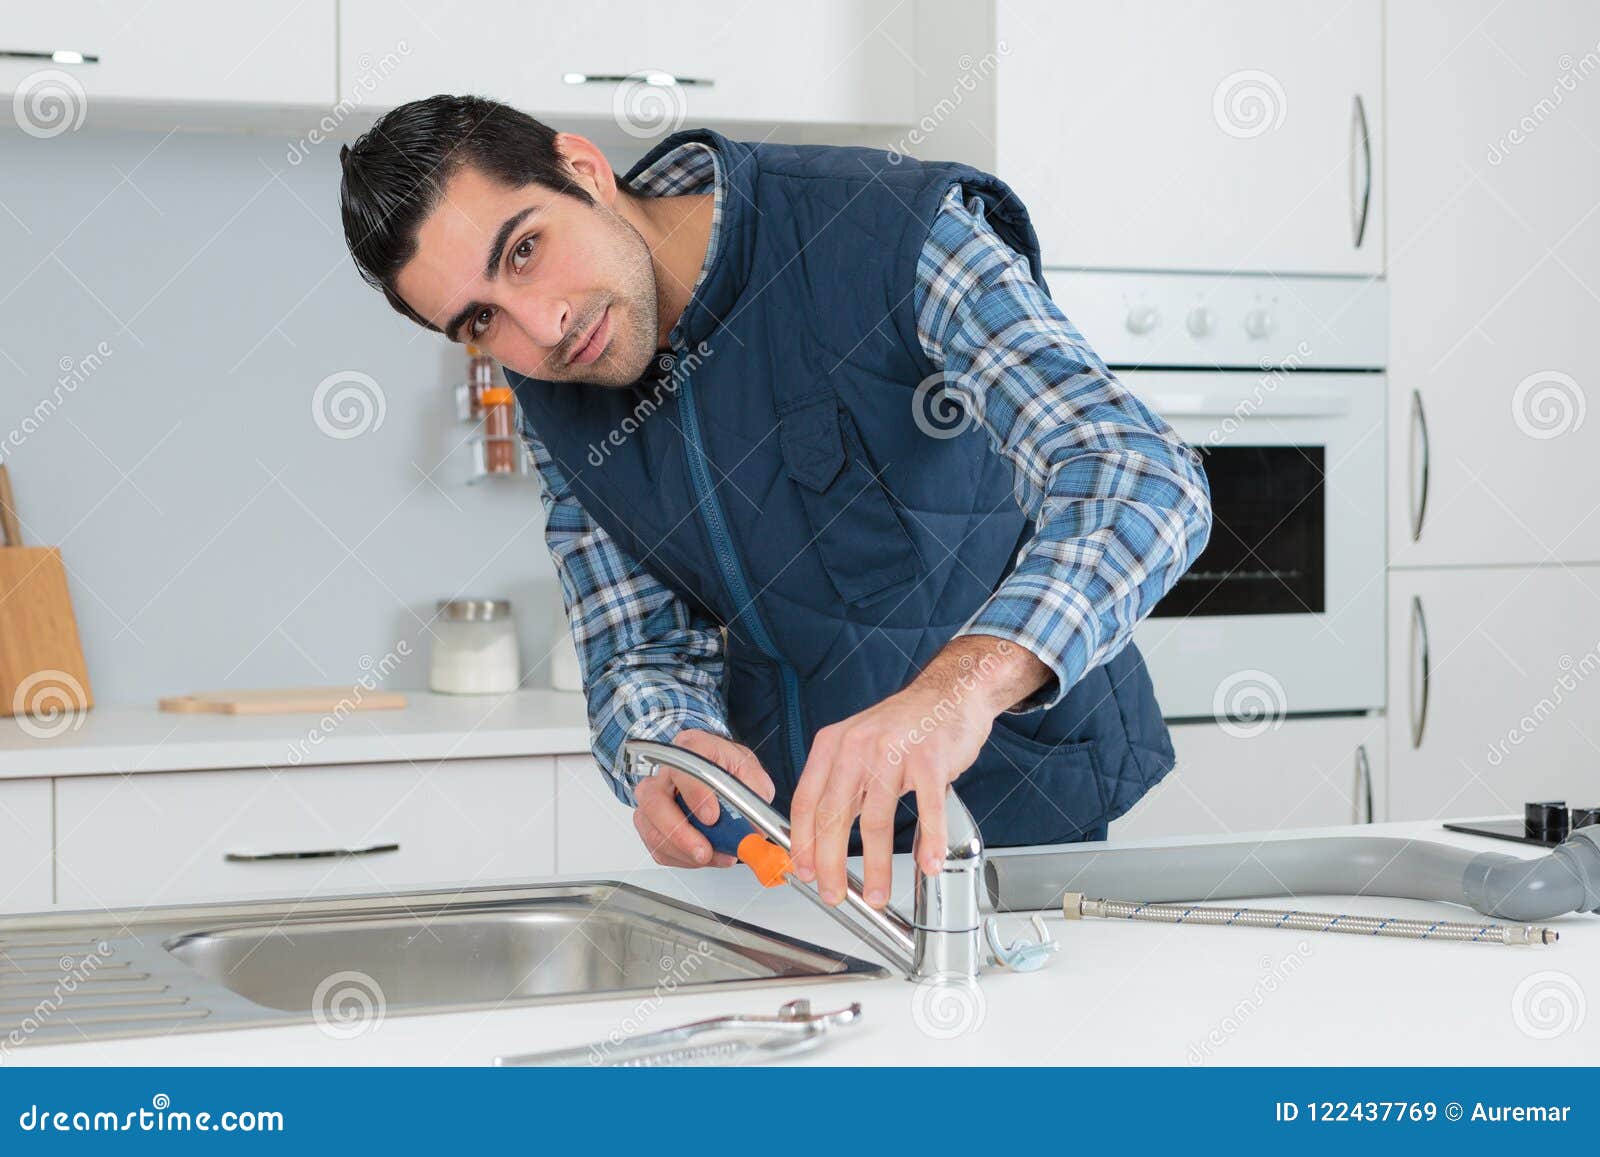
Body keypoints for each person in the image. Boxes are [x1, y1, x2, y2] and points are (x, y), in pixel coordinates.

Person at [337, 95, 1212, 911]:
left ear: (584, 170)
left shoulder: (889, 232)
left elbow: (1138, 475)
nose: (543, 325)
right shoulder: (555, 389)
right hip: (803, 869)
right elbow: (636, 642)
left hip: (1030, 836)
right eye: (481, 322)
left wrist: (962, 688)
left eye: (524, 249)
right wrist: (665, 747)